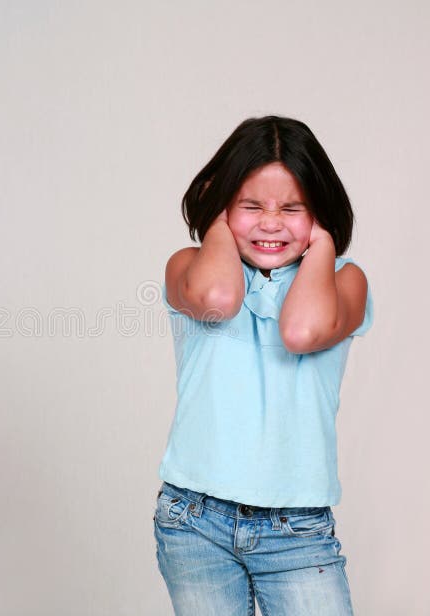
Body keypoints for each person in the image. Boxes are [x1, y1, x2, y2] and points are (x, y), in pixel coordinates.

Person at [154, 115, 374, 616]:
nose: (271, 222)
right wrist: (216, 218)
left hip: (296, 530)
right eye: (250, 206)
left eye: (292, 208)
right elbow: (219, 297)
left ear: (319, 211)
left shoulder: (345, 282)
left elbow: (301, 332)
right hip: (195, 519)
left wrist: (321, 246)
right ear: (224, 207)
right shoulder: (188, 268)